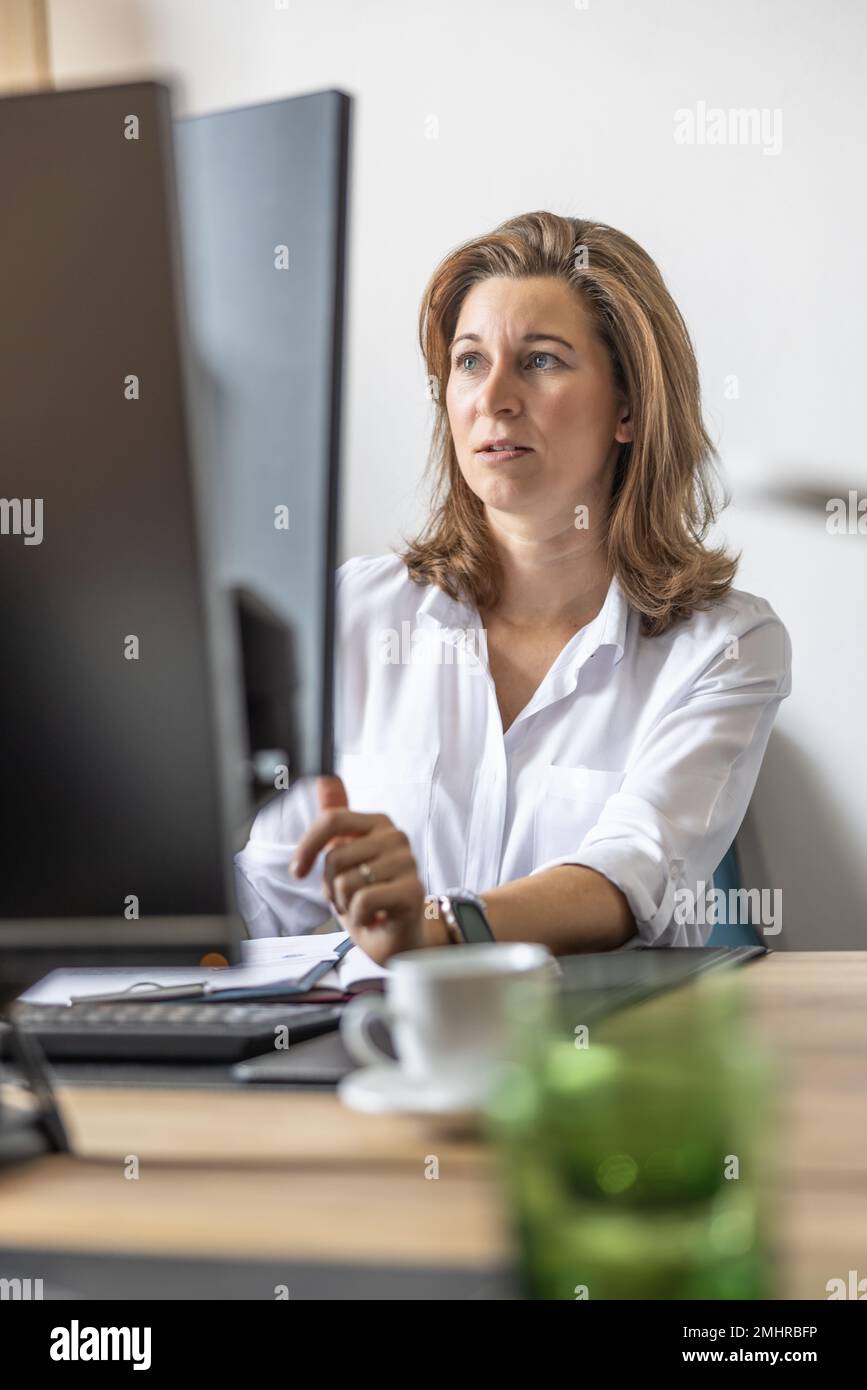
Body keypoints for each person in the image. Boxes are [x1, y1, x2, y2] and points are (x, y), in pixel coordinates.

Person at [234, 211, 791, 966]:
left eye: (540, 361)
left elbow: (627, 877)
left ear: (627, 408)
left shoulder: (724, 647)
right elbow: (269, 896)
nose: (492, 396)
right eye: (469, 361)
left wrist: (433, 928)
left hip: (597, 1067)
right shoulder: (352, 615)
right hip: (364, 1065)